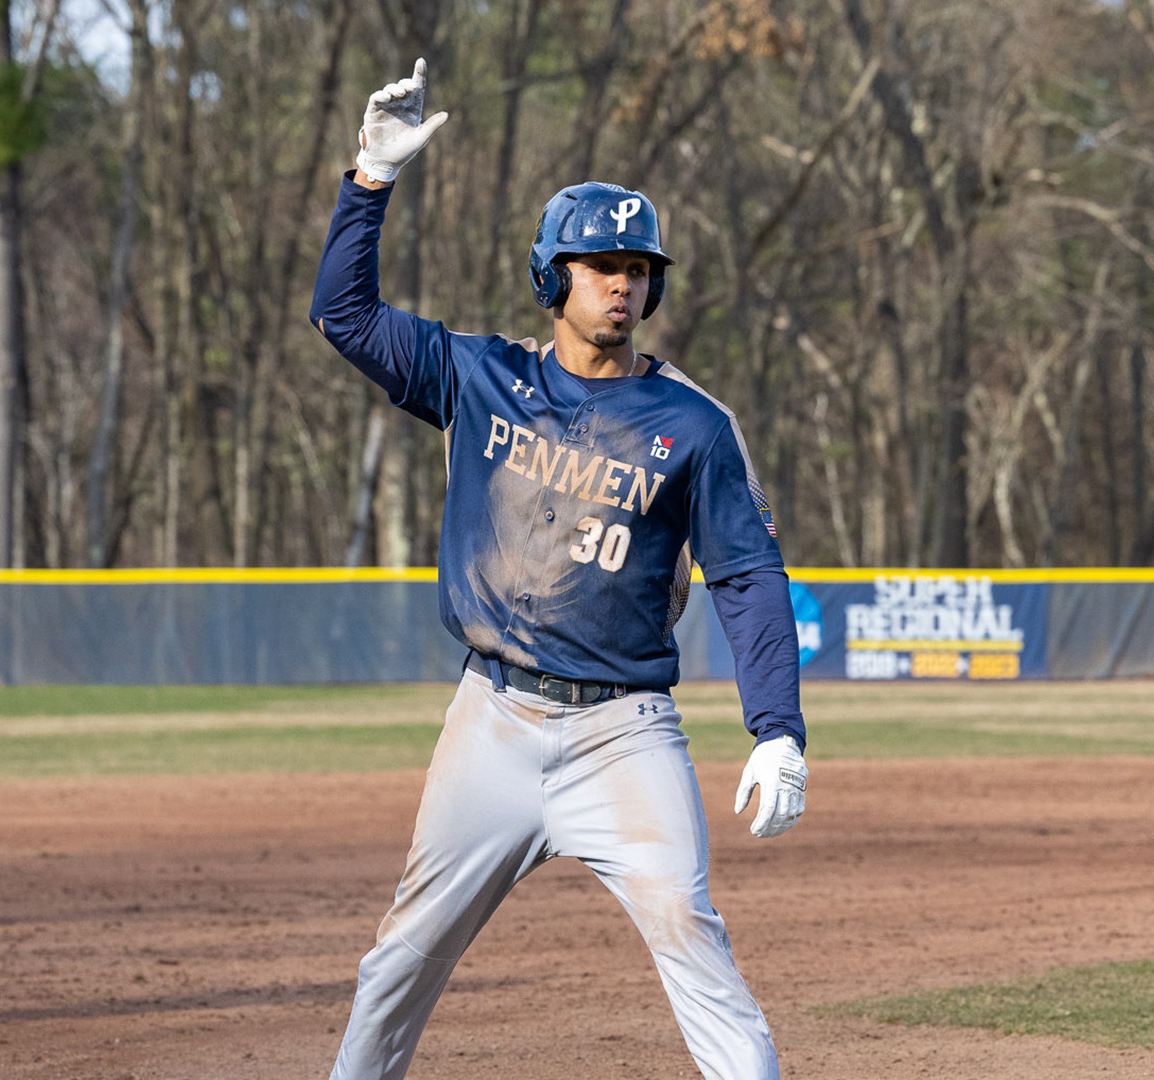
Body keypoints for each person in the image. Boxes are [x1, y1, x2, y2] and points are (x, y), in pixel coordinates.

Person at [310, 60, 809, 1080]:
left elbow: (749, 578)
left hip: (625, 733)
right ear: (553, 279)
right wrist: (371, 181)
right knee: (401, 958)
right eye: (600, 264)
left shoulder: (693, 425)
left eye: (638, 266)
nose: (623, 282)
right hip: (491, 724)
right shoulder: (478, 376)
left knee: (691, 931)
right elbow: (344, 316)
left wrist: (778, 729)